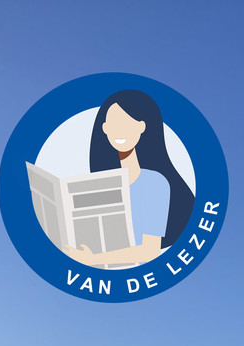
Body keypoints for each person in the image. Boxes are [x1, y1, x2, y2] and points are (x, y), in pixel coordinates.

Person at [63, 90, 194, 268]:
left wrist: (92, 259)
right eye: (114, 123)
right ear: (104, 129)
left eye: (126, 122)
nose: (119, 130)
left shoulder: (154, 183)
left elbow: (149, 251)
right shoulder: (102, 183)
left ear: (142, 126)